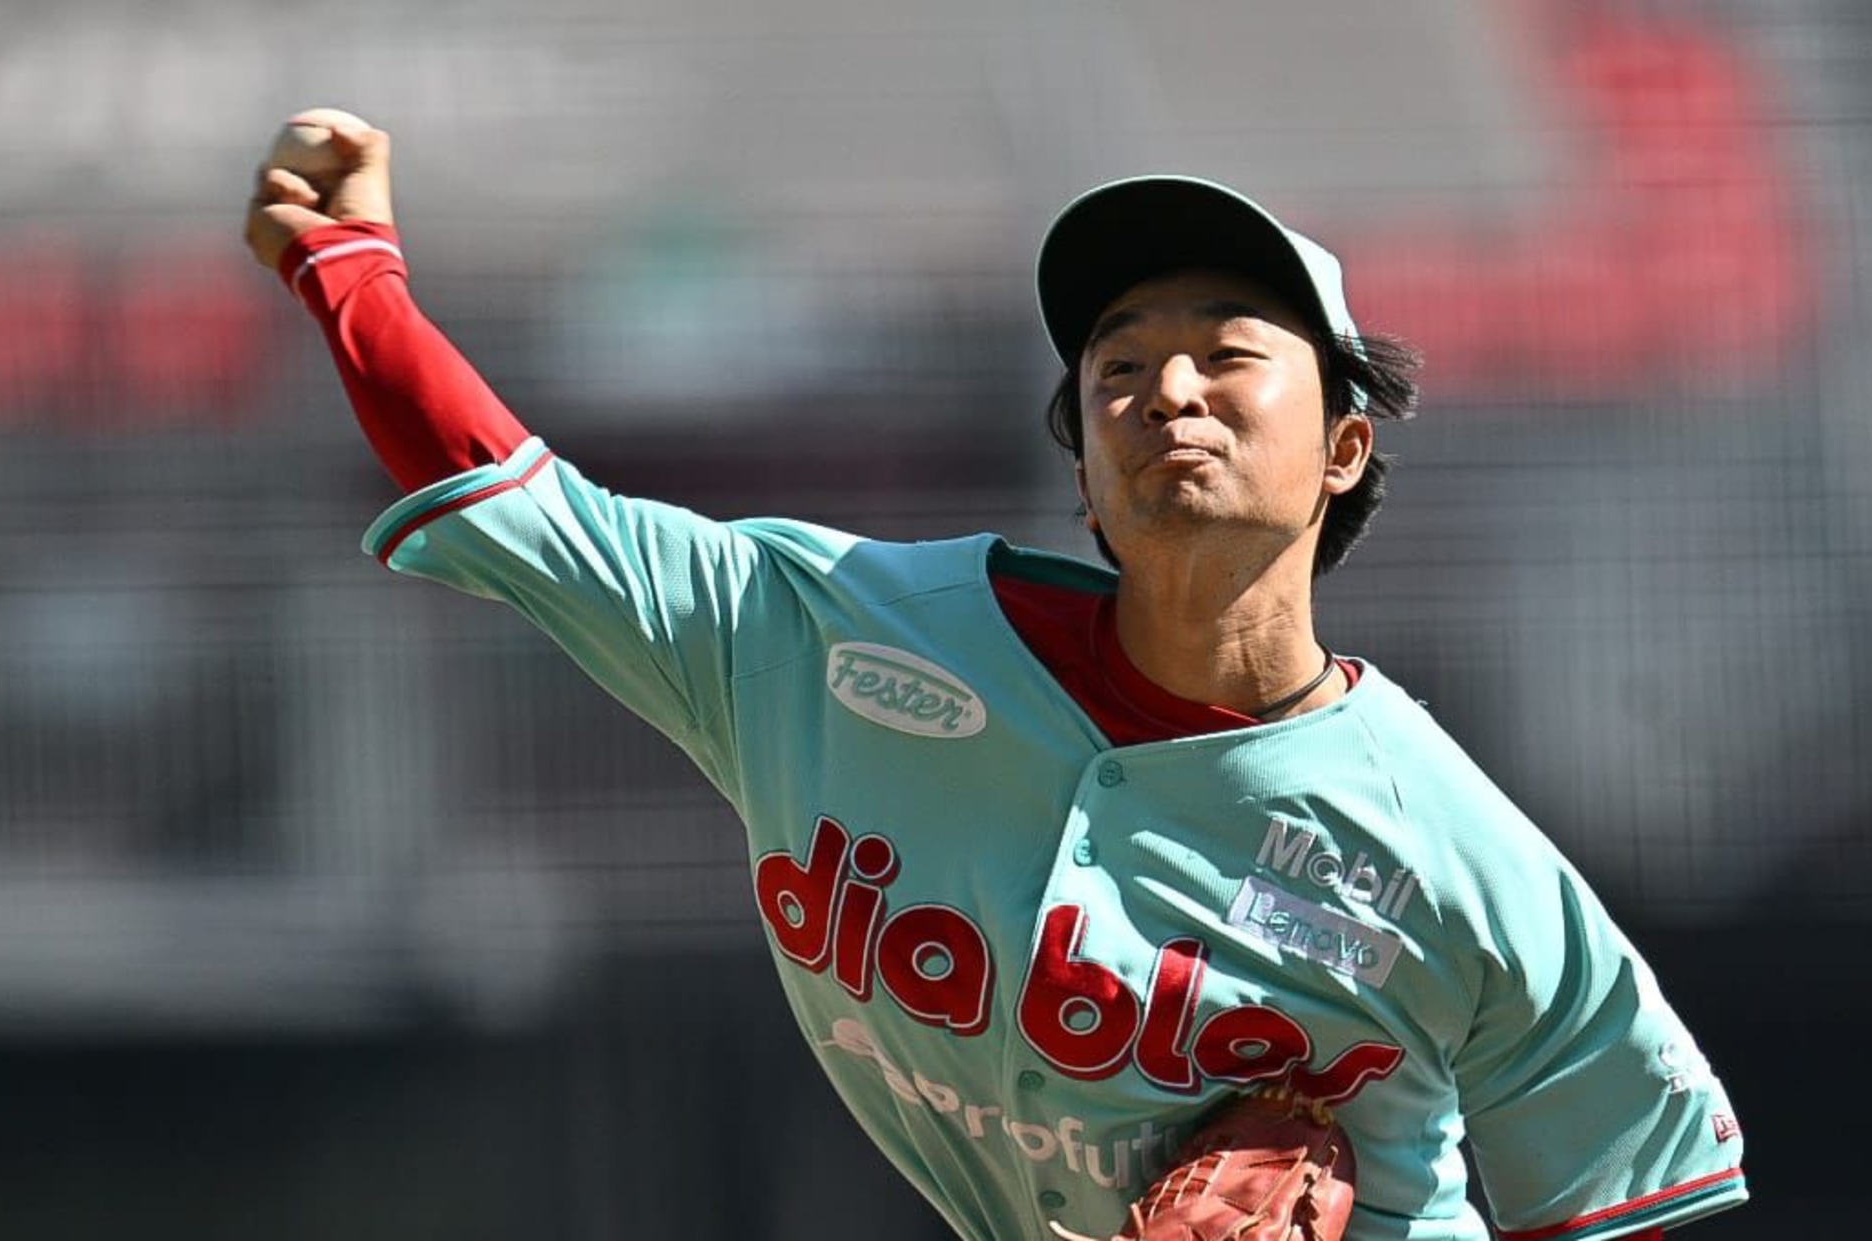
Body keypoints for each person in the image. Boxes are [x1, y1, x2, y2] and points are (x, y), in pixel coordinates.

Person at [245, 123, 1747, 1241]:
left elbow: (1621, 1182)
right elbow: (523, 512)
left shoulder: (1456, 853)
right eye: (1118, 369)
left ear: (1345, 448)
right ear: (1083, 478)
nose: (1167, 389)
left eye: (1229, 353)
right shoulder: (839, 641)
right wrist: (351, 270)